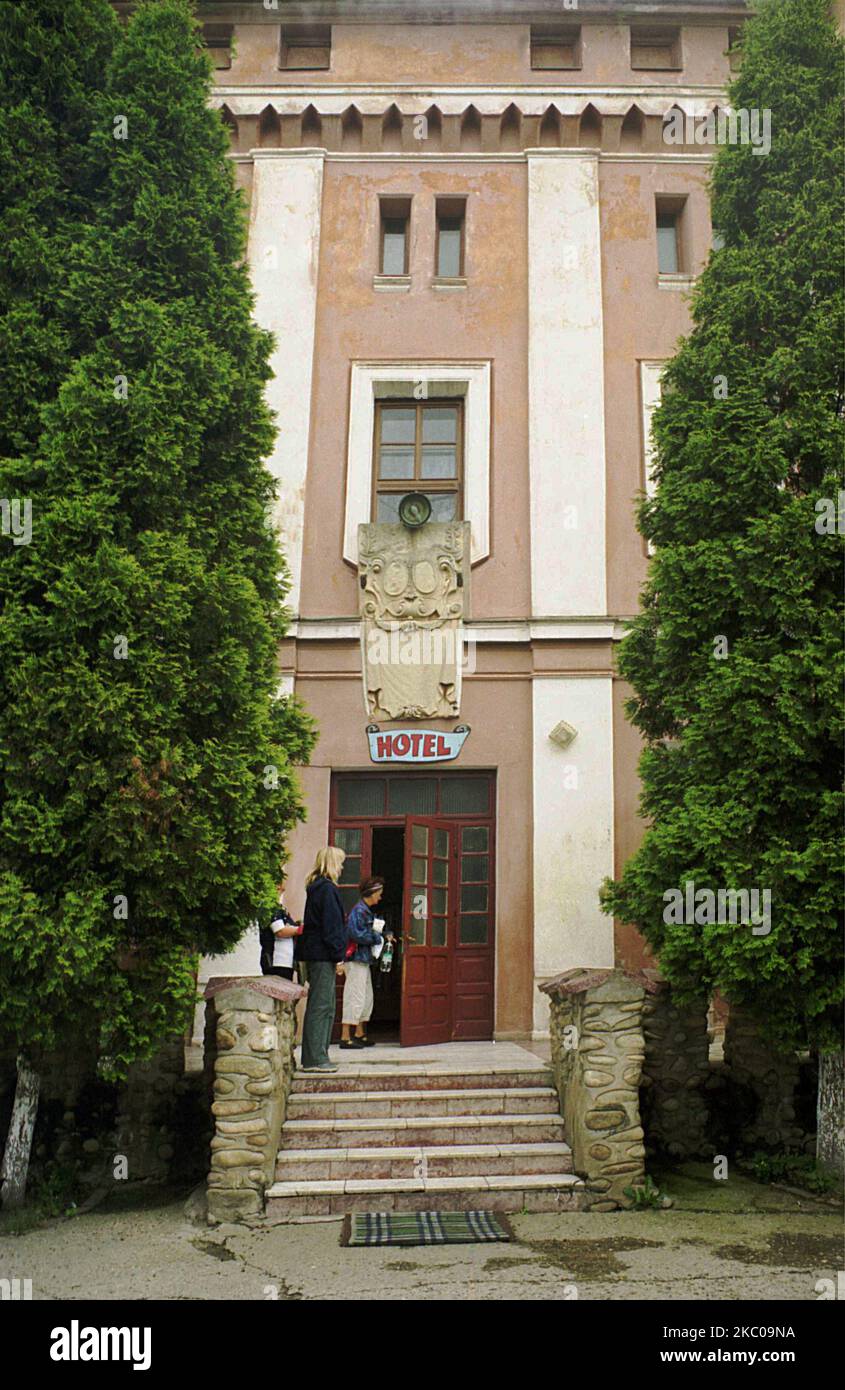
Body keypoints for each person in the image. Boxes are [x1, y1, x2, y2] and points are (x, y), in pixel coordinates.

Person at [297, 847, 347, 1073]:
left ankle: (318, 1055)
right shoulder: (327, 890)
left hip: (317, 954)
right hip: (323, 955)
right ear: (333, 863)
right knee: (322, 1006)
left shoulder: (318, 888)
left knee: (323, 1005)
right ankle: (316, 1058)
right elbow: (332, 927)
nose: (343, 867)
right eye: (341, 862)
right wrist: (339, 956)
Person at [340, 877, 390, 1049]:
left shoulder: (365, 911)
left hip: (363, 960)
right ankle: (345, 1036)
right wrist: (378, 937)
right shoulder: (359, 911)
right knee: (354, 995)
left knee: (364, 996)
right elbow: (356, 934)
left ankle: (359, 1033)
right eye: (379, 894)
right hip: (355, 959)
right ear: (372, 893)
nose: (380, 898)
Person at [259, 876, 302, 981]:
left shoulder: (280, 909)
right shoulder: (271, 908)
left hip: (285, 962)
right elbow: (280, 931)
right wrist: (298, 930)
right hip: (276, 960)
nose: (280, 893)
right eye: (279, 889)